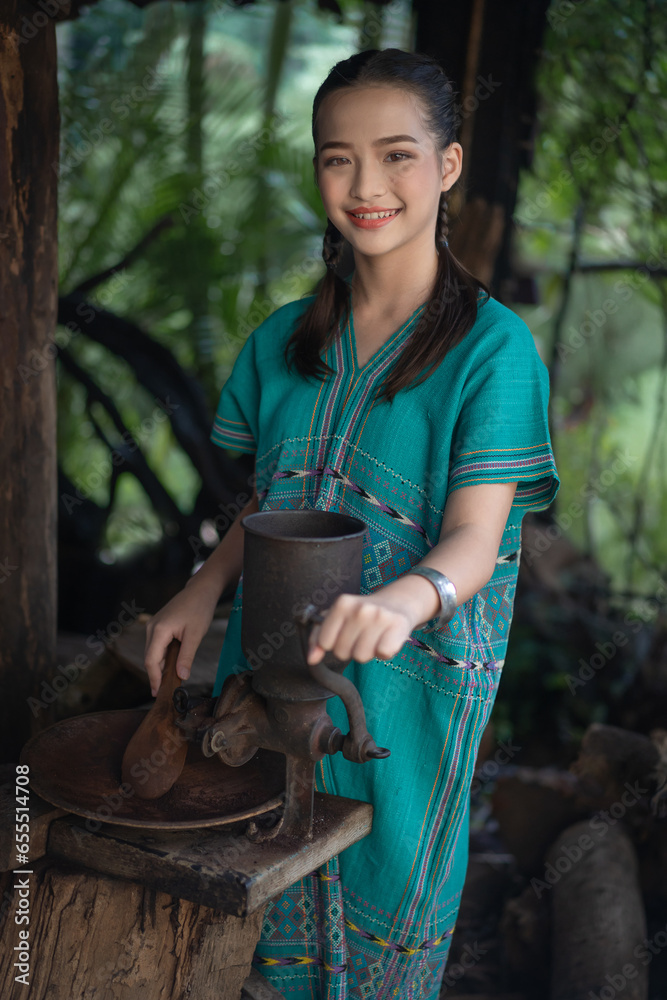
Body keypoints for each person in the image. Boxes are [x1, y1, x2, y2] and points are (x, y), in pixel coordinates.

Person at [144, 47, 559, 1000]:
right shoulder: (281, 342)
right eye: (338, 158)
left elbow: (475, 538)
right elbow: (269, 504)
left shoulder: (493, 352)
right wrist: (202, 592)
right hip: (273, 674)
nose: (366, 185)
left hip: (407, 696)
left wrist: (410, 598)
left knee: (379, 915)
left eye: (397, 155)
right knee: (255, 904)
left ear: (447, 166)